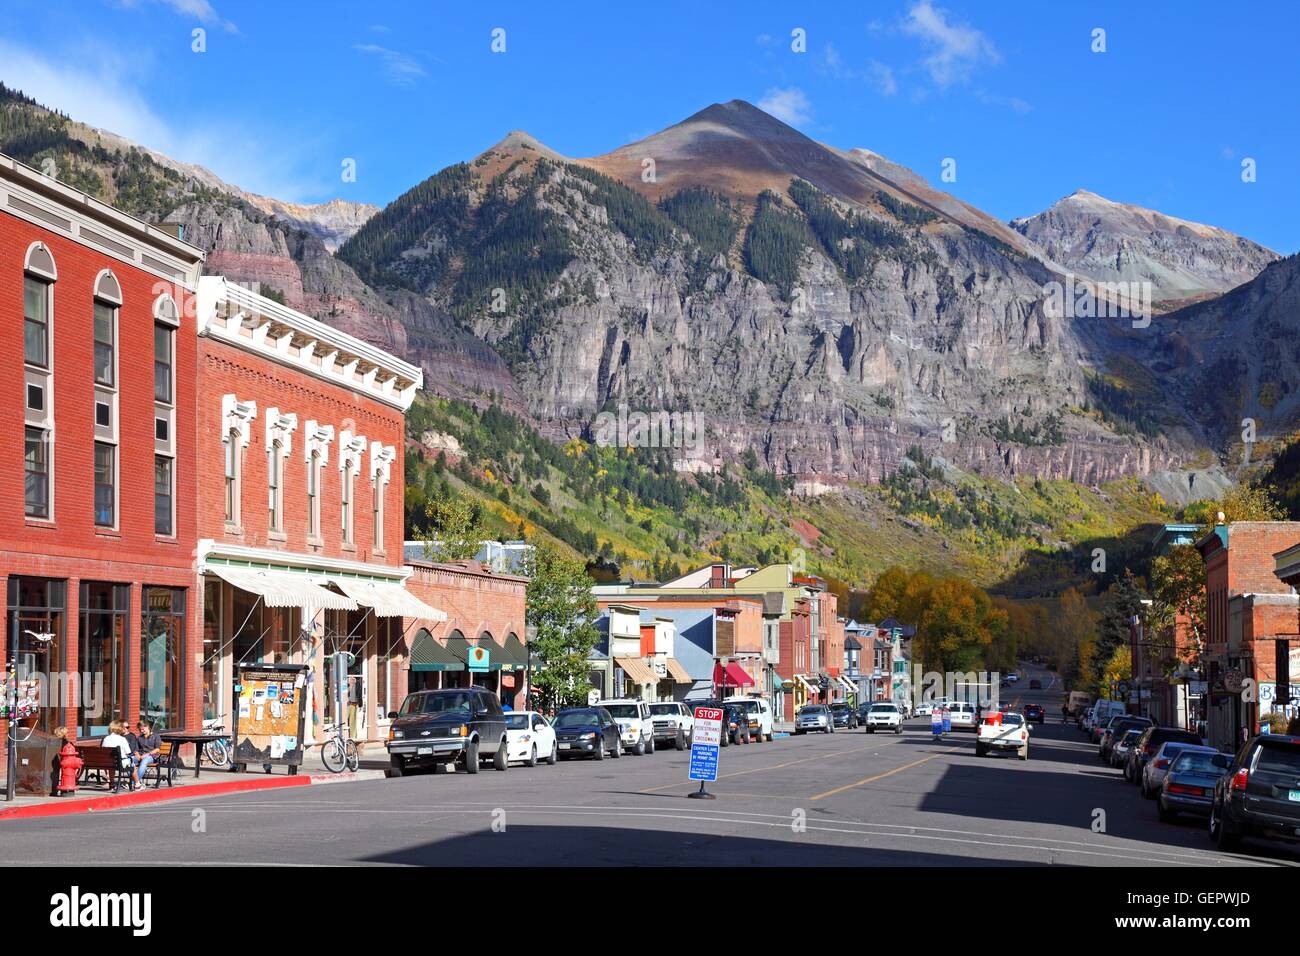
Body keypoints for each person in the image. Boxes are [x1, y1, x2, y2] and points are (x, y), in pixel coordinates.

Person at [100, 720, 134, 792]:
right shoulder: (122, 739)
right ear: (119, 729)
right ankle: (137, 784)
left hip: (109, 762)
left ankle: (111, 784)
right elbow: (128, 752)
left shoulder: (106, 738)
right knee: (133, 765)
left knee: (112, 766)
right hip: (120, 762)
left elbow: (103, 750)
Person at [131, 720, 162, 788]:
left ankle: (134, 782)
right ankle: (136, 782)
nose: (141, 731)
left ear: (147, 727)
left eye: (142, 729)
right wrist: (137, 754)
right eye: (140, 729)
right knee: (129, 760)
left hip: (152, 756)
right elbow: (136, 749)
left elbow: (157, 749)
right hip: (141, 755)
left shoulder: (156, 736)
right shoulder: (140, 738)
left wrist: (147, 754)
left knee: (144, 761)